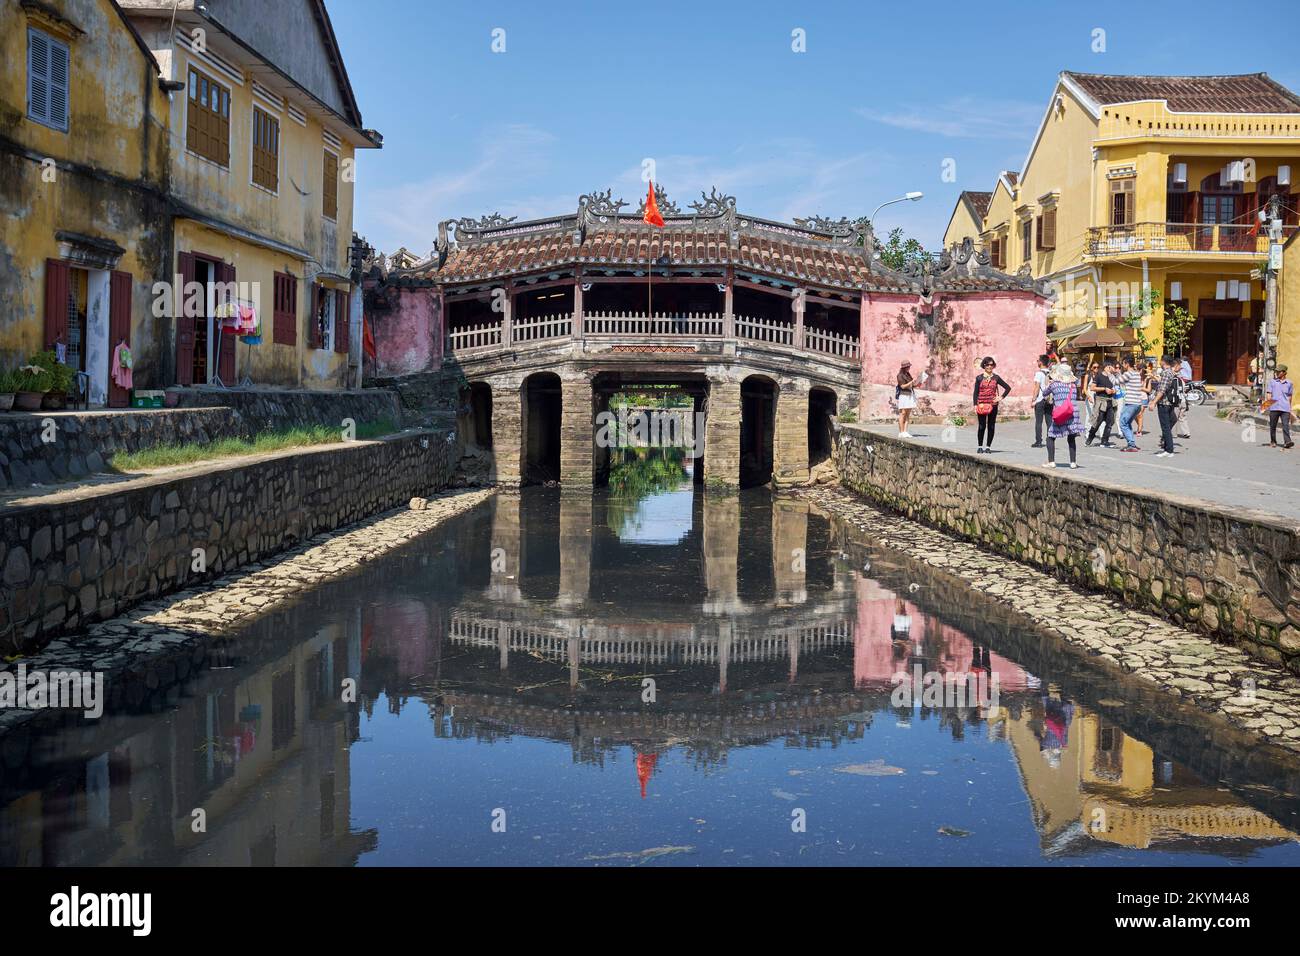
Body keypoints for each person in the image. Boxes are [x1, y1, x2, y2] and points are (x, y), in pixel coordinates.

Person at [1043, 361, 1084, 468]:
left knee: (1050, 436)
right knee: (1071, 437)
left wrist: (1049, 383)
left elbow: (1044, 393)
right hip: (1072, 413)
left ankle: (1051, 461)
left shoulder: (1055, 384)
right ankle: (1073, 462)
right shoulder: (1073, 385)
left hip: (1060, 414)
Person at [972, 356, 1012, 454]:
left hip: (993, 404)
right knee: (981, 426)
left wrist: (1000, 397)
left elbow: (1007, 388)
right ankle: (980, 446)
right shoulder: (979, 378)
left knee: (991, 426)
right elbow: (975, 392)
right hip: (981, 404)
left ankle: (988, 447)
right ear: (984, 365)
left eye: (991, 364)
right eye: (987, 364)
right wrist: (975, 405)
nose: (989, 366)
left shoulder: (996, 378)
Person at [1149, 355, 1181, 457]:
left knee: (1165, 427)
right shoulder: (1171, 372)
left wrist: (1154, 402)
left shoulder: (1166, 373)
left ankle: (1169, 450)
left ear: (1163, 362)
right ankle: (1168, 448)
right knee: (1167, 426)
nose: (1159, 362)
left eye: (1160, 360)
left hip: (1164, 403)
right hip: (1170, 402)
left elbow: (1162, 390)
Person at [1117, 356, 1147, 452]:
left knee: (1122, 423)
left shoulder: (1128, 374)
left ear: (1126, 363)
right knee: (1128, 423)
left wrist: (1112, 374)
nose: (1122, 365)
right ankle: (1131, 443)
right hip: (1138, 403)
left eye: (1123, 363)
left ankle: (1131, 444)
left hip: (1130, 403)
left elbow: (1116, 381)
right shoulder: (1137, 374)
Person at [1085, 360, 1118, 446]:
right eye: (1113, 367)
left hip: (1110, 401)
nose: (1114, 369)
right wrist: (1104, 389)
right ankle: (1090, 437)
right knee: (1097, 422)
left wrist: (1113, 391)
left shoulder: (1112, 377)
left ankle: (1105, 440)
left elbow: (1115, 388)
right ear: (1108, 367)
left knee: (1109, 422)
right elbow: (1092, 388)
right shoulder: (1099, 376)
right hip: (1101, 401)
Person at [1266, 365, 1295, 449]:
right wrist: (1267, 406)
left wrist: (1289, 408)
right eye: (1276, 371)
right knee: (1273, 425)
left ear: (1284, 372)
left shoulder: (1289, 383)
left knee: (1285, 425)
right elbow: (1269, 394)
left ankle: (1287, 442)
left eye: (1279, 372)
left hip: (1285, 407)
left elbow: (1289, 396)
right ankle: (1273, 441)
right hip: (1274, 407)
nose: (1277, 373)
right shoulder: (1272, 382)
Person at [1030, 354, 1051, 448]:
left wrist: (1033, 399)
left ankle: (1038, 441)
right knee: (1049, 421)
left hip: (1040, 400)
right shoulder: (1051, 373)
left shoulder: (1039, 374)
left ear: (1041, 362)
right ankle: (1050, 439)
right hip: (1050, 400)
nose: (1037, 362)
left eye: (1038, 360)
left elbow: (1037, 387)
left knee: (1039, 422)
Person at [896, 361, 918, 437]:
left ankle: (905, 431)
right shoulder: (900, 375)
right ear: (904, 367)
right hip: (904, 396)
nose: (909, 368)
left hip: (910, 395)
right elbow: (902, 386)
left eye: (909, 366)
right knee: (903, 413)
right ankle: (901, 432)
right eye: (908, 367)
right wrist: (911, 382)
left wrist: (917, 383)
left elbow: (912, 385)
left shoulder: (908, 375)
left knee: (908, 414)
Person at [1175, 355, 1193, 440]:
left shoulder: (1176, 379)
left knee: (1174, 416)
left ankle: (1173, 433)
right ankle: (1186, 432)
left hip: (1177, 400)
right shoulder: (1182, 380)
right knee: (1182, 417)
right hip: (1183, 400)